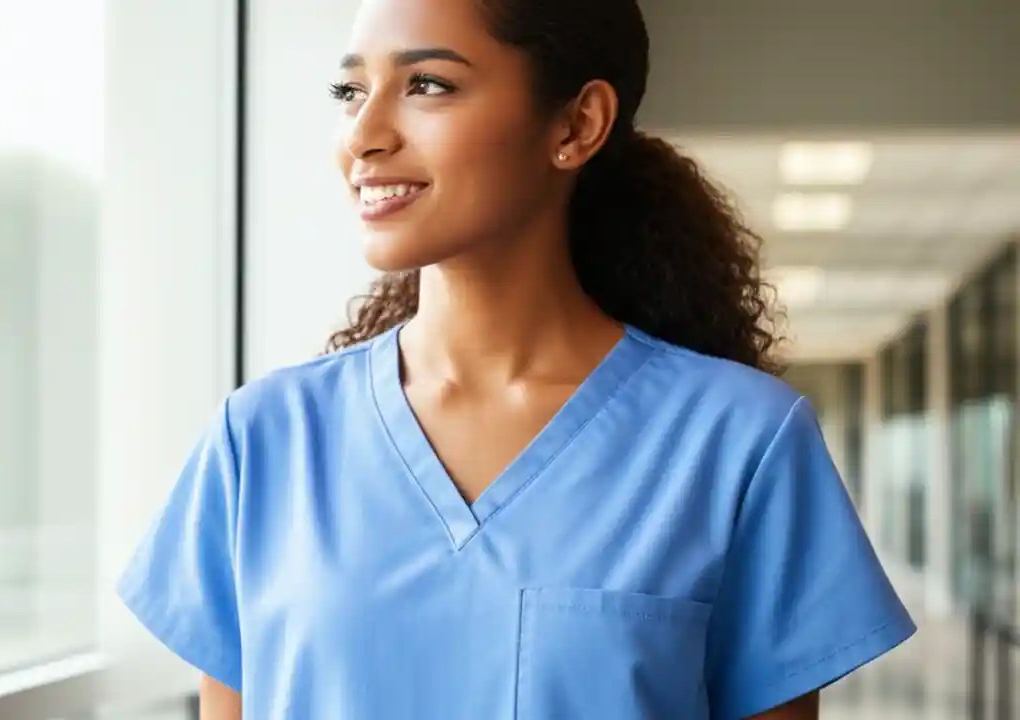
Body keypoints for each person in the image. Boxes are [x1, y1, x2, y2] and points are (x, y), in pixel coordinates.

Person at [117, 0, 916, 717]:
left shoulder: (741, 442)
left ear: (575, 127)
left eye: (428, 84)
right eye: (350, 92)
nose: (364, 136)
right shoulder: (263, 439)